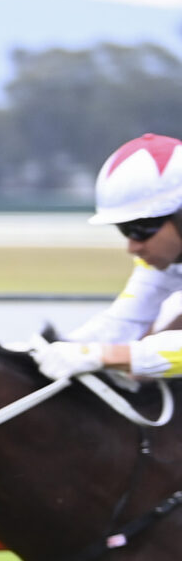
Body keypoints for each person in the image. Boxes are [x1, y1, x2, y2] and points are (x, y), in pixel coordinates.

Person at [33, 133, 182, 380]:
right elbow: (122, 324)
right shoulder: (163, 261)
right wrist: (40, 354)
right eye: (124, 230)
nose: (132, 247)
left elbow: (107, 351)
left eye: (140, 229)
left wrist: (101, 356)